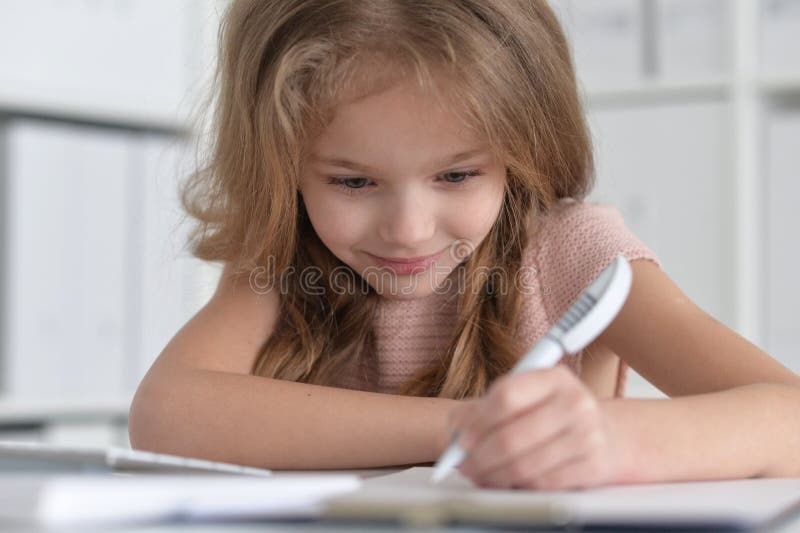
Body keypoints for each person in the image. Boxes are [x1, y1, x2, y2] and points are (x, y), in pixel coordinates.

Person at [128, 0, 800, 490]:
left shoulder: (570, 250)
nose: (409, 230)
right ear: (283, 166)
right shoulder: (289, 259)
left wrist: (609, 438)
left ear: (522, 148)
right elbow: (166, 412)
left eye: (457, 175)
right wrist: (468, 426)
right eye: (354, 180)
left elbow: (790, 417)